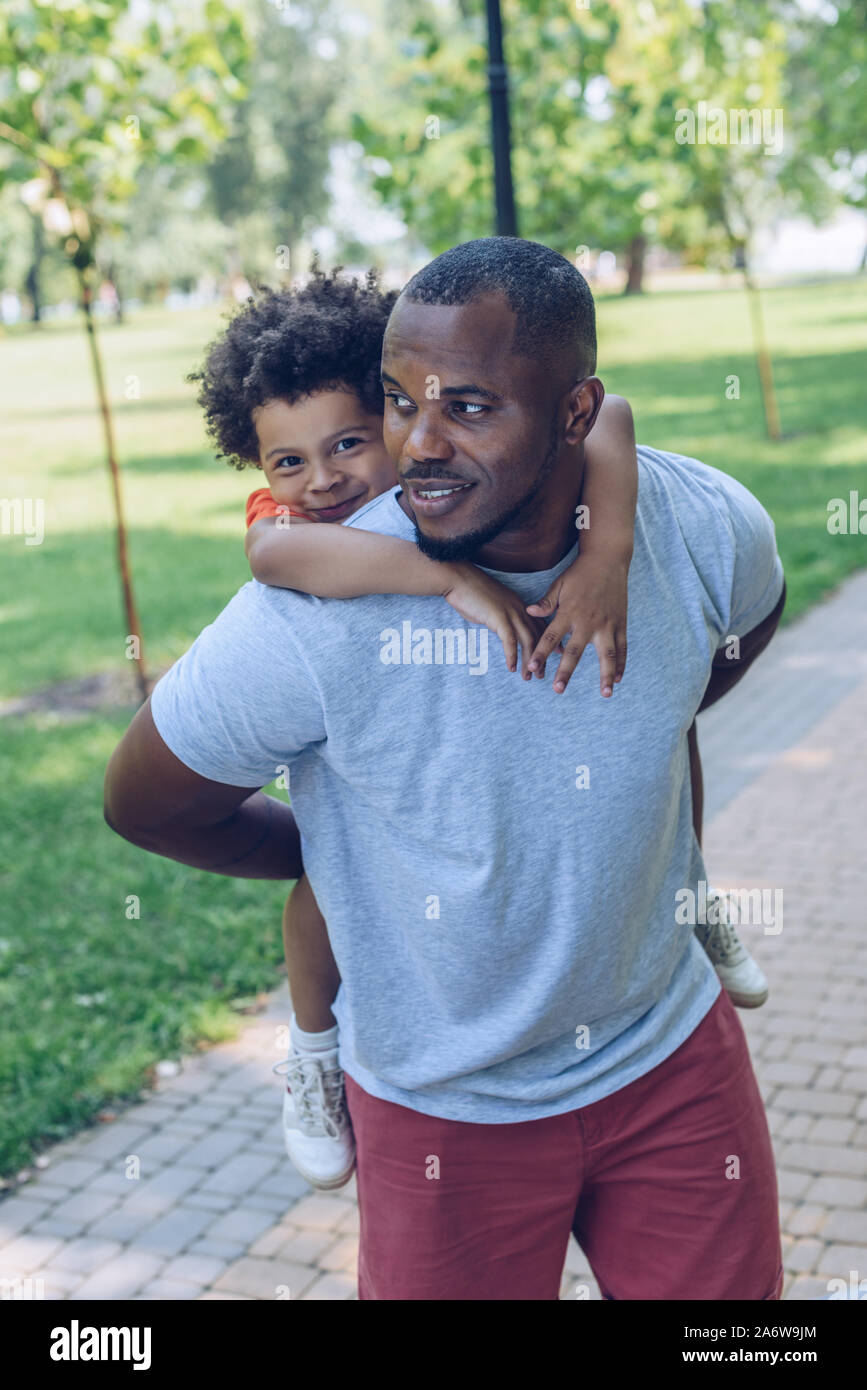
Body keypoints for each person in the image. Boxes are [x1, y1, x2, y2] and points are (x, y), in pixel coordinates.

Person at [105, 238, 786, 1299]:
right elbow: (143, 798)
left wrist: (633, 720)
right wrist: (336, 854)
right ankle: (313, 1056)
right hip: (445, 1113)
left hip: (670, 1063)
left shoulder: (698, 525)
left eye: (467, 407)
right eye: (396, 402)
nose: (416, 445)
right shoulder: (308, 616)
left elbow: (739, 628)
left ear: (570, 413)